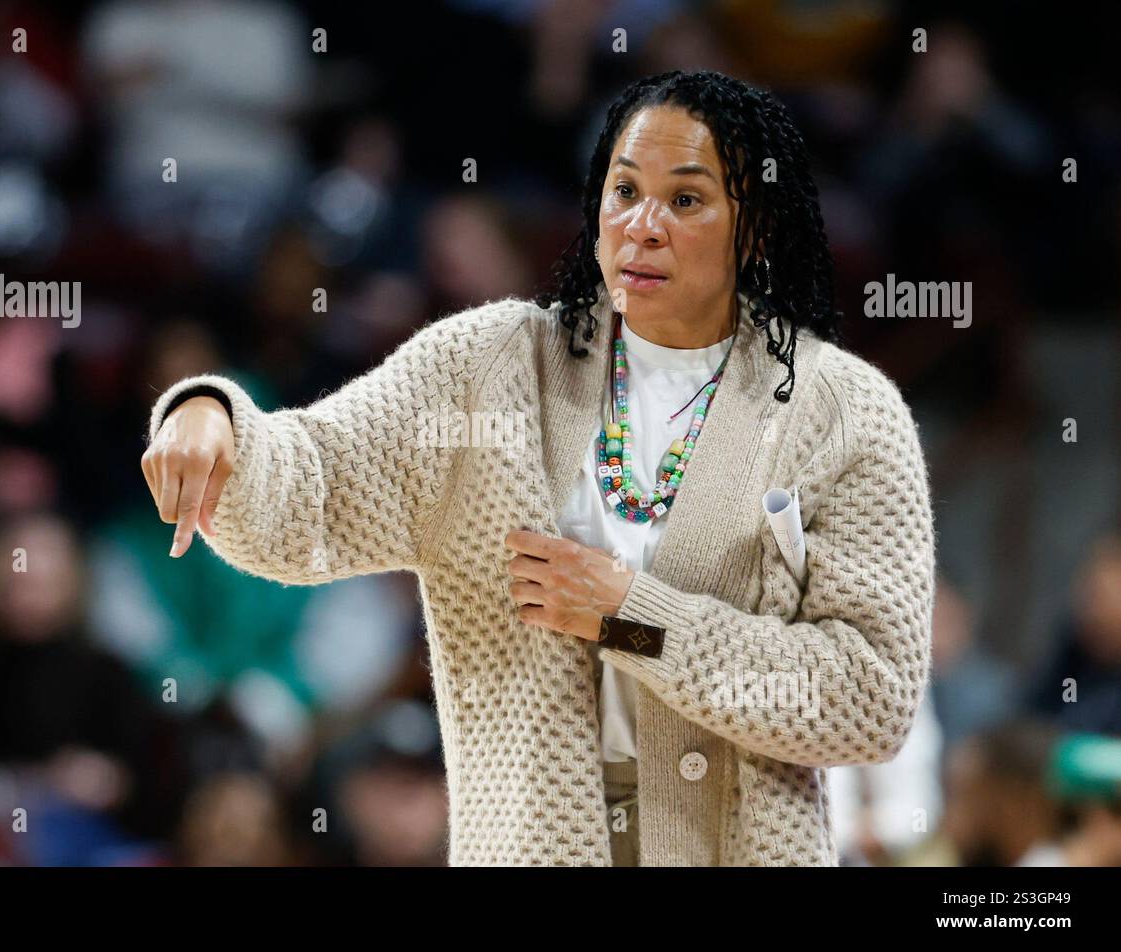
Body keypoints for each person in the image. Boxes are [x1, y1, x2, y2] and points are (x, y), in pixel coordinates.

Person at [140, 70, 936, 866]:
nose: (644, 225)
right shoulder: (490, 368)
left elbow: (869, 700)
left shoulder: (845, 413)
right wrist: (213, 418)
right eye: (624, 191)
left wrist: (636, 618)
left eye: (686, 201)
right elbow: (311, 485)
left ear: (757, 228)